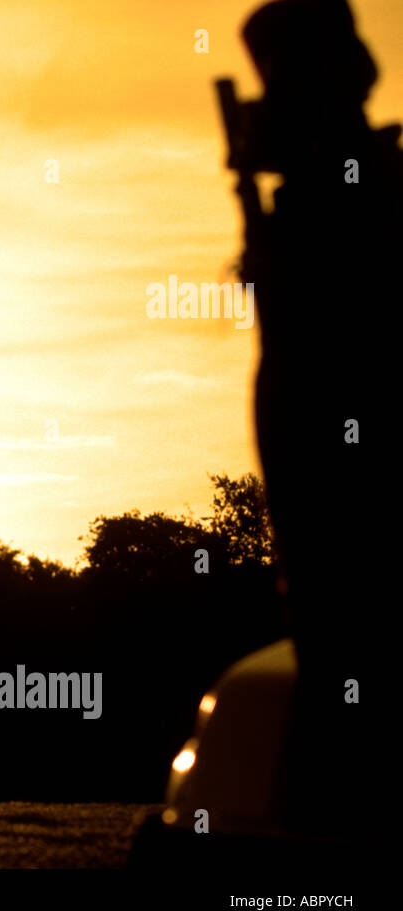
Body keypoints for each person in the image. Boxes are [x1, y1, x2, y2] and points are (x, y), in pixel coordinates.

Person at [232, 0, 398, 832]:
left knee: (348, 634)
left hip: (342, 448)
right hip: (310, 436)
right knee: (330, 632)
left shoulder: (362, 193)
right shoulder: (323, 194)